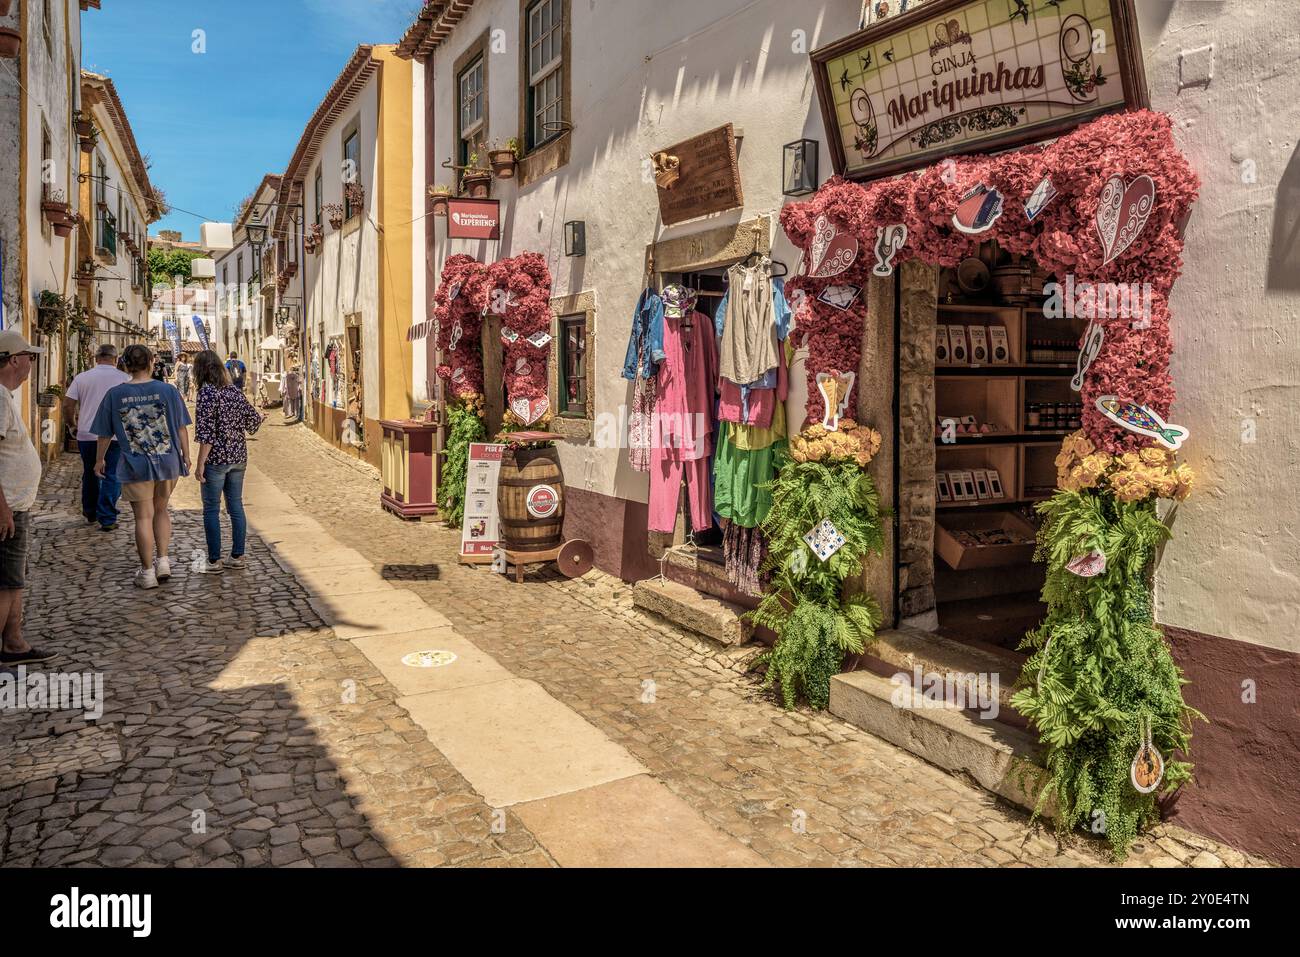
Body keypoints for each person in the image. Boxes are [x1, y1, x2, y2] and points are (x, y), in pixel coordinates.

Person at [91, 343, 192, 589]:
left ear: (124, 365)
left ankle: (147, 573)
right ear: (151, 363)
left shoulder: (115, 394)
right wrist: (186, 456)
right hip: (167, 460)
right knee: (161, 510)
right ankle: (164, 561)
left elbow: (104, 434)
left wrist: (99, 459)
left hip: (136, 463)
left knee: (143, 518)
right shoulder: (167, 390)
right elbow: (181, 427)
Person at [0, 330, 57, 666]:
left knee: (14, 578)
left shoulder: (6, 396)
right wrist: (2, 507)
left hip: (15, 505)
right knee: (6, 581)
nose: (32, 363)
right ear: (13, 360)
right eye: (29, 357)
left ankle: (14, 642)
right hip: (6, 507)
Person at [192, 350, 264, 573]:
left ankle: (214, 561)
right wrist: (260, 416)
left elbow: (207, 435)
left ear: (200, 371)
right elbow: (252, 422)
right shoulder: (233, 391)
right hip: (238, 457)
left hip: (216, 460)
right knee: (236, 506)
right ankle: (237, 556)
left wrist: (200, 464)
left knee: (211, 509)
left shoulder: (206, 393)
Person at [64, 343, 130, 531]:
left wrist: (72, 425)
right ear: (116, 359)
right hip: (116, 436)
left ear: (96, 358)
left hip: (86, 433)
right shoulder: (125, 378)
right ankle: (107, 517)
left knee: (90, 472)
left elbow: (68, 405)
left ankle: (91, 511)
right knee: (112, 474)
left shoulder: (82, 378)